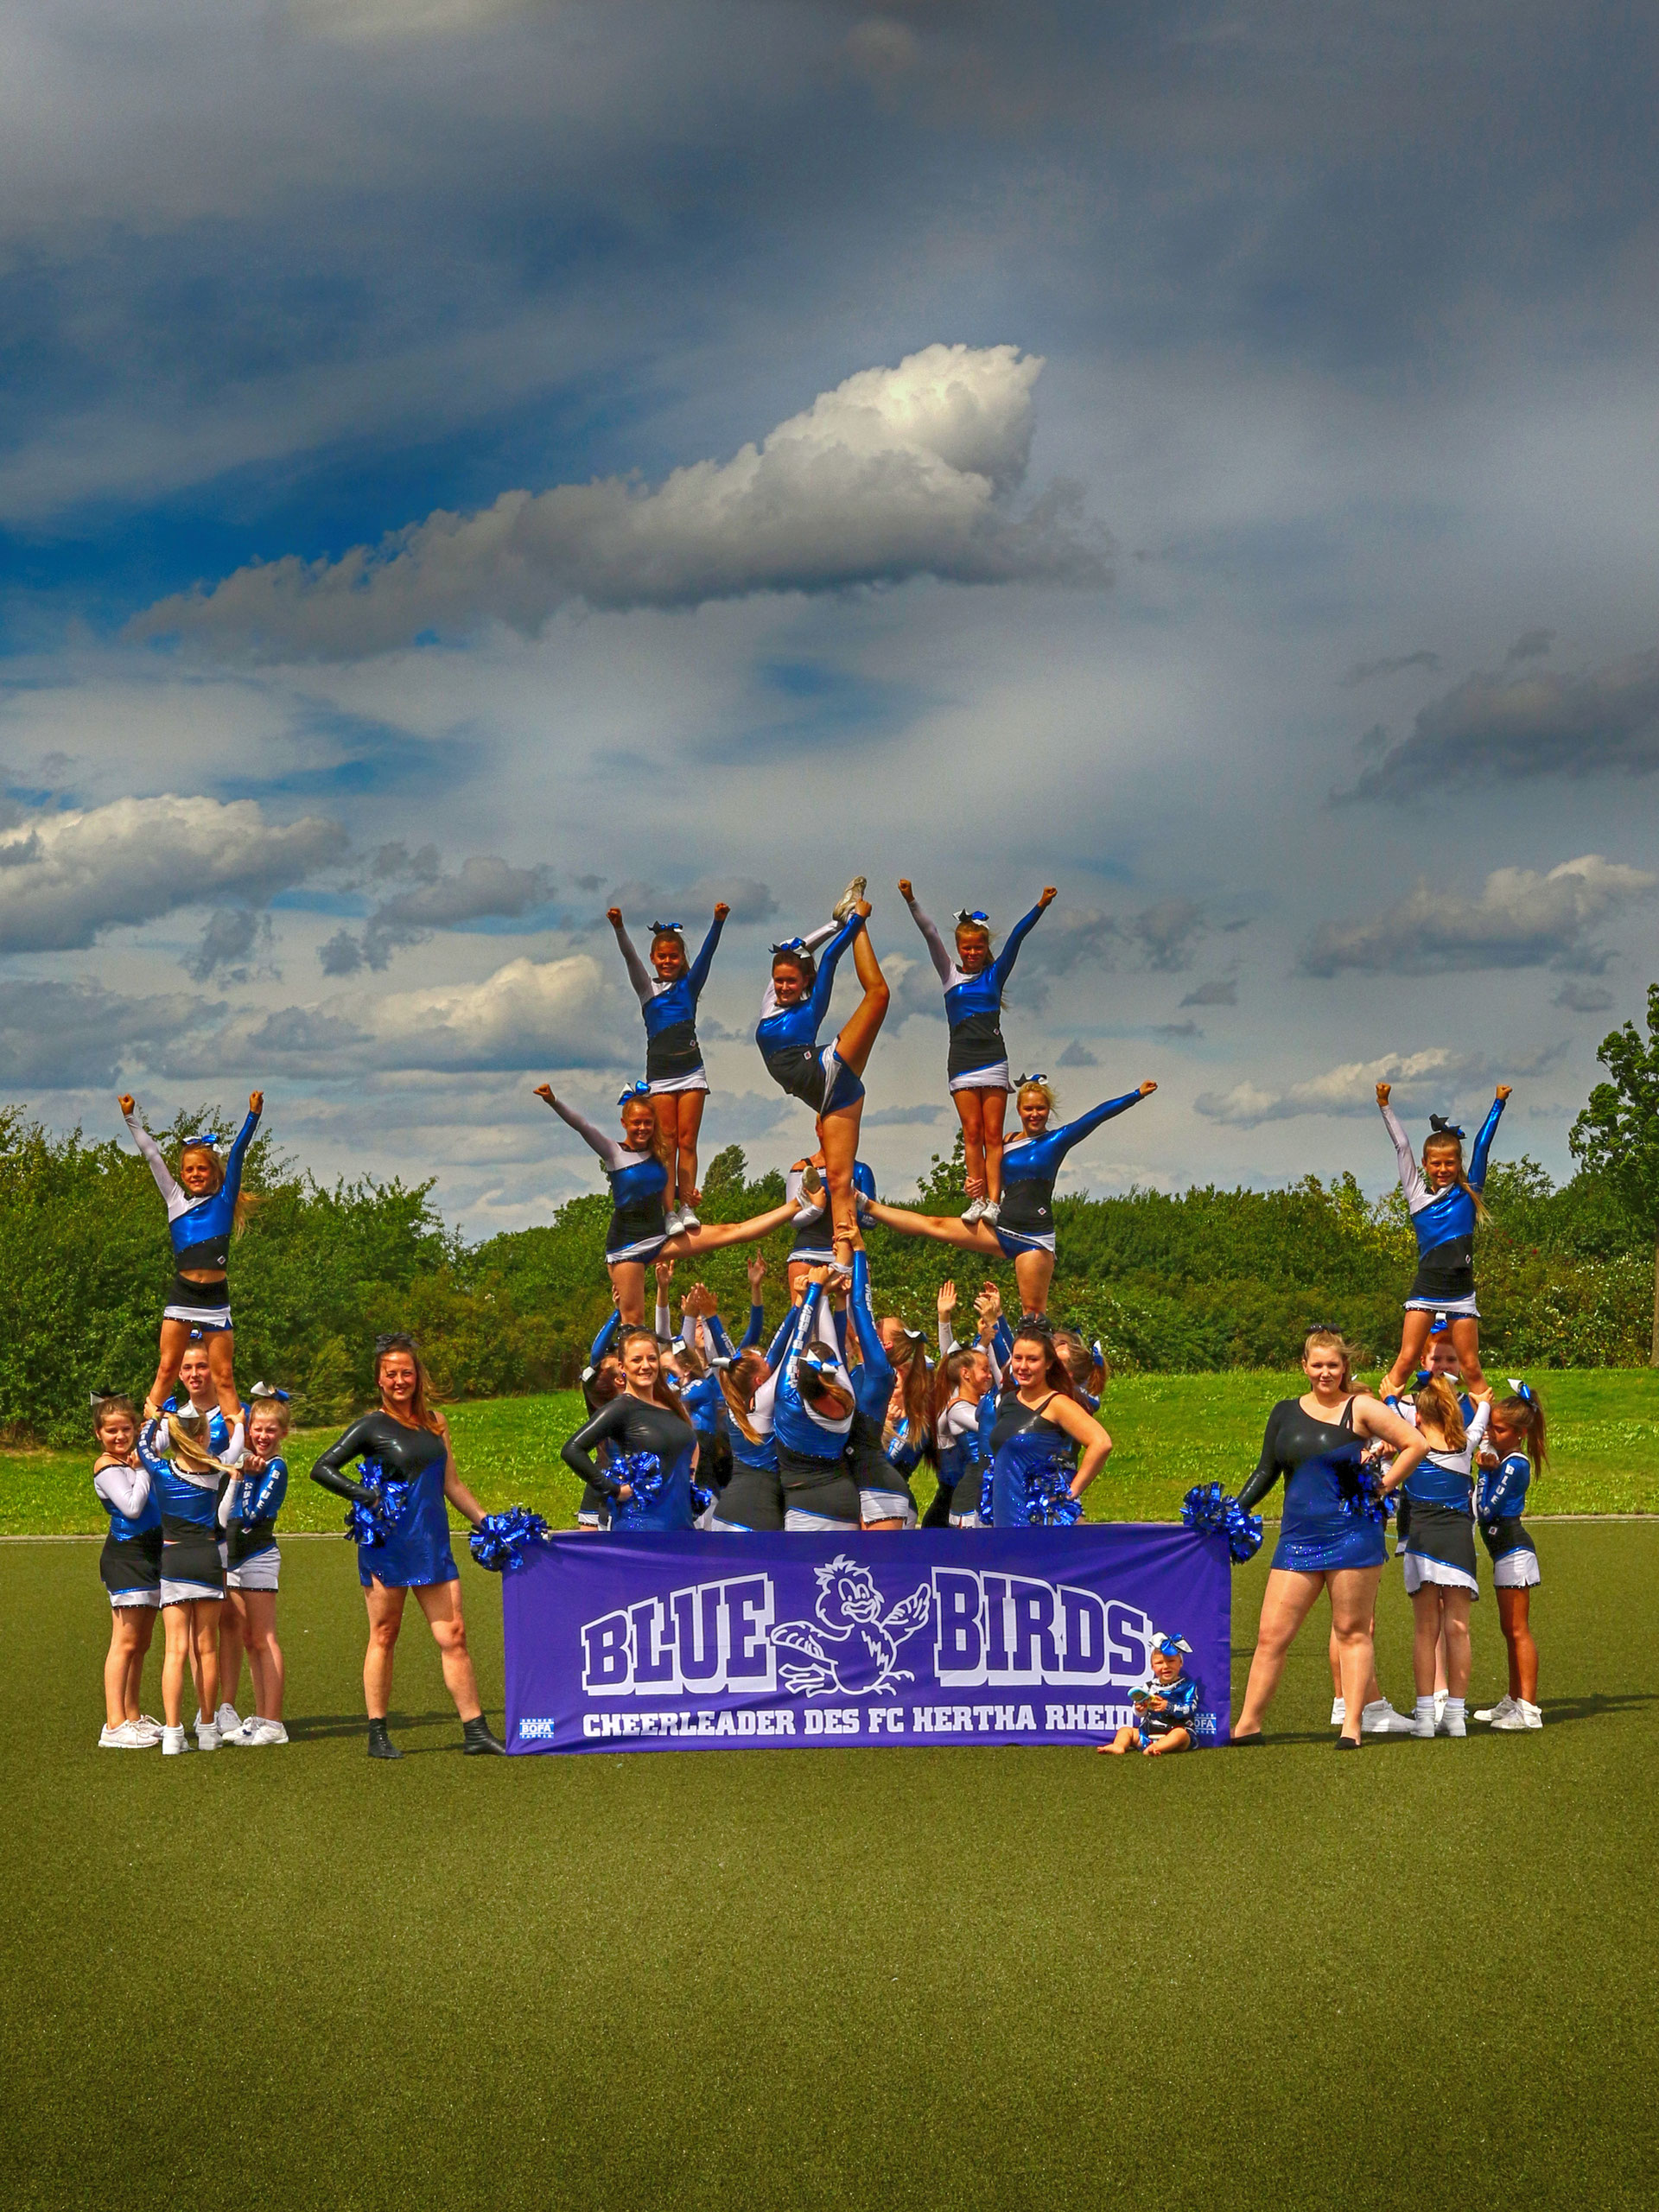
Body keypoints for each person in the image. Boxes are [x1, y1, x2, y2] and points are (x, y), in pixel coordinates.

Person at [309, 1333, 505, 1759]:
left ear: (418, 1377)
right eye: (391, 1374)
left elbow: (452, 1483)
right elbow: (321, 1467)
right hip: (388, 1546)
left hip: (431, 1543)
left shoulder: (436, 1422)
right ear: (379, 1379)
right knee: (384, 1633)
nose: (400, 1380)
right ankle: (377, 1731)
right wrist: (363, 1495)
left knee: (454, 1635)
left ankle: (476, 1730)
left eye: (407, 1373)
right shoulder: (370, 1425)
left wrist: (491, 1524)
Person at [1230, 1330, 1427, 1750]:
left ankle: (1352, 1727)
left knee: (1351, 1631)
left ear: (1345, 1369)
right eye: (1317, 1365)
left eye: (1333, 1366)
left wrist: (1383, 1487)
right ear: (1304, 1366)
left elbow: (1416, 1443)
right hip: (1298, 1538)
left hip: (1353, 1534)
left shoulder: (1360, 1407)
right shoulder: (1284, 1412)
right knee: (1271, 1636)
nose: (1325, 1373)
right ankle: (1247, 1724)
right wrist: (1234, 1511)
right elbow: (1266, 1470)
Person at [864, 1075, 1156, 1317]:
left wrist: (1136, 1094)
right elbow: (988, 1178)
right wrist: (972, 1188)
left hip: (1034, 1238)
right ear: (1019, 1110)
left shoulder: (1057, 1140)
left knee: (1032, 1314)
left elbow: (1096, 1116)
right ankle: (866, 1204)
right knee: (935, 1225)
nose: (1034, 1114)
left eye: (1041, 1109)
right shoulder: (1004, 1143)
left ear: (1048, 1110)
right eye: (1029, 1109)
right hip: (1000, 1226)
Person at [534, 1081, 795, 1325]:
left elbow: (657, 1188)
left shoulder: (659, 1154)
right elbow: (582, 1126)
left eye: (647, 1123)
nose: (642, 1129)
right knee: (634, 1321)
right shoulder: (614, 1153)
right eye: (636, 1123)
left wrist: (685, 1195)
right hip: (628, 1247)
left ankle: (795, 1206)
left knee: (731, 1232)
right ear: (624, 1123)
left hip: (662, 1236)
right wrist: (553, 1101)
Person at [898, 879, 1057, 1221]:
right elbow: (930, 933)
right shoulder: (949, 976)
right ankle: (978, 1198)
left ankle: (995, 1202)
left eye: (977, 948)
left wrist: (1040, 905)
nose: (972, 953)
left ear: (985, 949)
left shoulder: (995, 975)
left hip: (994, 1060)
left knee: (992, 1135)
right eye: (966, 948)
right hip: (963, 1063)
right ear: (959, 950)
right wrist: (911, 899)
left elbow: (1017, 937)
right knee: (971, 1133)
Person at [755, 884, 891, 1266]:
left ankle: (844, 1262)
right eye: (779, 980)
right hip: (831, 1097)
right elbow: (801, 950)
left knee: (878, 996)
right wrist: (835, 923)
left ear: (805, 983)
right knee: (839, 1180)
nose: (782, 987)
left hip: (824, 1072)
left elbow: (827, 960)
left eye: (790, 982)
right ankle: (844, 1262)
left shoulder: (812, 1006)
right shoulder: (771, 1001)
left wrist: (855, 924)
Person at [119, 1090, 263, 1424]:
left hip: (214, 1296)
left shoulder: (224, 1201)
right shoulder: (174, 1200)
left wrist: (253, 1115)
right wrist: (131, 1117)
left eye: (202, 1169)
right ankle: (145, 1443)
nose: (195, 1174)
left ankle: (236, 1452)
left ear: (213, 1173)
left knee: (224, 1377)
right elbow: (152, 1154)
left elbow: (239, 1153)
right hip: (183, 1293)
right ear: (182, 1175)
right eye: (189, 1170)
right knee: (167, 1369)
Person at [1376, 1082, 1510, 1399]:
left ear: (1459, 1165)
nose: (1442, 1169)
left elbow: (1482, 1146)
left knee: (1472, 1367)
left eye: (1450, 1163)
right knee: (1406, 1361)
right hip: (1426, 1290)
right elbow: (1402, 1147)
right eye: (1435, 1164)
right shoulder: (1417, 1197)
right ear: (1425, 1166)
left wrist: (1498, 1104)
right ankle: (1383, 1437)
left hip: (1461, 1293)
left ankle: (1487, 1443)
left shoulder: (1470, 1192)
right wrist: (1385, 1105)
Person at [607, 903, 729, 1232]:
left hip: (691, 1071)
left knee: (688, 1141)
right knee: (668, 1142)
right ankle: (668, 1212)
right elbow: (629, 959)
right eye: (661, 957)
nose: (667, 962)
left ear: (680, 959)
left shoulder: (689, 986)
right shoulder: (647, 989)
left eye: (673, 956)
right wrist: (619, 927)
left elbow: (707, 955)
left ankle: (687, 1206)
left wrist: (717, 922)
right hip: (660, 1076)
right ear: (653, 959)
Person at [137, 1404, 237, 1753]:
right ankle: (208, 1729)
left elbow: (143, 1445)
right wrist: (237, 1424)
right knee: (207, 1649)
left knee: (174, 1651)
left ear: (177, 1436)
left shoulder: (161, 1470)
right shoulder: (217, 1472)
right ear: (203, 1436)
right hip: (208, 1558)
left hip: (175, 1560)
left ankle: (173, 1734)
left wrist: (155, 1418)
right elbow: (235, 1445)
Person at [1395, 1376, 1490, 1738]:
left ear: (1419, 1415)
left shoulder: (1412, 1444)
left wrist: (1394, 1397)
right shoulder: (1466, 1444)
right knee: (1458, 1629)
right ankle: (1455, 1715)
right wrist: (1482, 1399)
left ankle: (1423, 1717)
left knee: (1425, 1631)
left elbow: (1392, 1406)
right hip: (1458, 1545)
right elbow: (1482, 1413)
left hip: (1421, 1543)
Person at [747, 1269, 862, 1532]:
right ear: (833, 1369)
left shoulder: (788, 1400)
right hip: (845, 1500)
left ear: (797, 1372)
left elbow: (796, 1340)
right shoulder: (846, 1394)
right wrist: (819, 1294)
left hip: (806, 1507)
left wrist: (814, 1290)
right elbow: (829, 1339)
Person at [561, 1327, 699, 1530]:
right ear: (622, 1365)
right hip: (642, 1529)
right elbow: (572, 1450)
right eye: (637, 1360)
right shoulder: (622, 1407)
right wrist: (614, 1490)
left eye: (652, 1359)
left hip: (681, 1525)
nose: (646, 1366)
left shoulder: (669, 1405)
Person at [218, 1383, 290, 1746]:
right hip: (234, 1556)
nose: (262, 1436)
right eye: (257, 1429)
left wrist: (246, 1475)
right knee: (248, 1639)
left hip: (258, 1554)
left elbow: (252, 1512)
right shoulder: (244, 1457)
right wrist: (239, 1467)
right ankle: (260, 1716)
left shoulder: (275, 1466)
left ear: (283, 1433)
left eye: (270, 1430)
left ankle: (273, 1722)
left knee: (263, 1639)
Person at [985, 1323, 1112, 1527]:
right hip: (1004, 1516)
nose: (1023, 1366)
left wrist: (1069, 1494)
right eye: (1018, 1358)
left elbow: (1101, 1443)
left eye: (1032, 1359)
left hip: (1038, 1522)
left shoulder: (1058, 1403)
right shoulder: (1008, 1400)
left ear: (1048, 1363)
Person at [91, 1392, 163, 1749]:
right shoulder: (107, 1468)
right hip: (127, 1557)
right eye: (112, 1431)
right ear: (99, 1434)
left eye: (126, 1429)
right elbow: (133, 1507)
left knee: (142, 1643)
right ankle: (114, 1723)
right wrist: (141, 1469)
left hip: (151, 1556)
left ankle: (132, 1715)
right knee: (125, 1642)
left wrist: (157, 1417)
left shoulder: (135, 1456)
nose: (120, 1437)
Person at [1474, 1383, 1547, 1731]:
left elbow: (1487, 1510)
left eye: (1498, 1429)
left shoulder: (1514, 1464)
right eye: (1489, 1426)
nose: (1490, 1433)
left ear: (1518, 1434)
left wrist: (1485, 1471)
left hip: (1514, 1551)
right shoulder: (1503, 1458)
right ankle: (1514, 1698)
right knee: (1509, 1630)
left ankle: (1529, 1710)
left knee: (1518, 1630)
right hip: (1504, 1552)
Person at [844, 1249, 915, 1528]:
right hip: (858, 1483)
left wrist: (860, 1251)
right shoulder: (858, 1368)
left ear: (883, 1346)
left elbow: (861, 1305)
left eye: (878, 1327)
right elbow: (848, 1316)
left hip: (880, 1489)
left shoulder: (880, 1371)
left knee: (884, 1572)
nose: (871, 1326)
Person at [1099, 1632, 1200, 1756]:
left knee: (1181, 1734)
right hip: (1149, 1732)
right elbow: (1140, 1713)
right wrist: (1140, 1708)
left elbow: (1190, 1709)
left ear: (1180, 1663)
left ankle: (1157, 1747)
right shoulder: (1148, 1686)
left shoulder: (1187, 1685)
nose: (1166, 1666)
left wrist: (1167, 1706)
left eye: (1171, 1661)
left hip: (1175, 1730)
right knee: (1125, 1731)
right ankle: (1118, 1746)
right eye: (1159, 1663)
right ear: (1152, 1666)